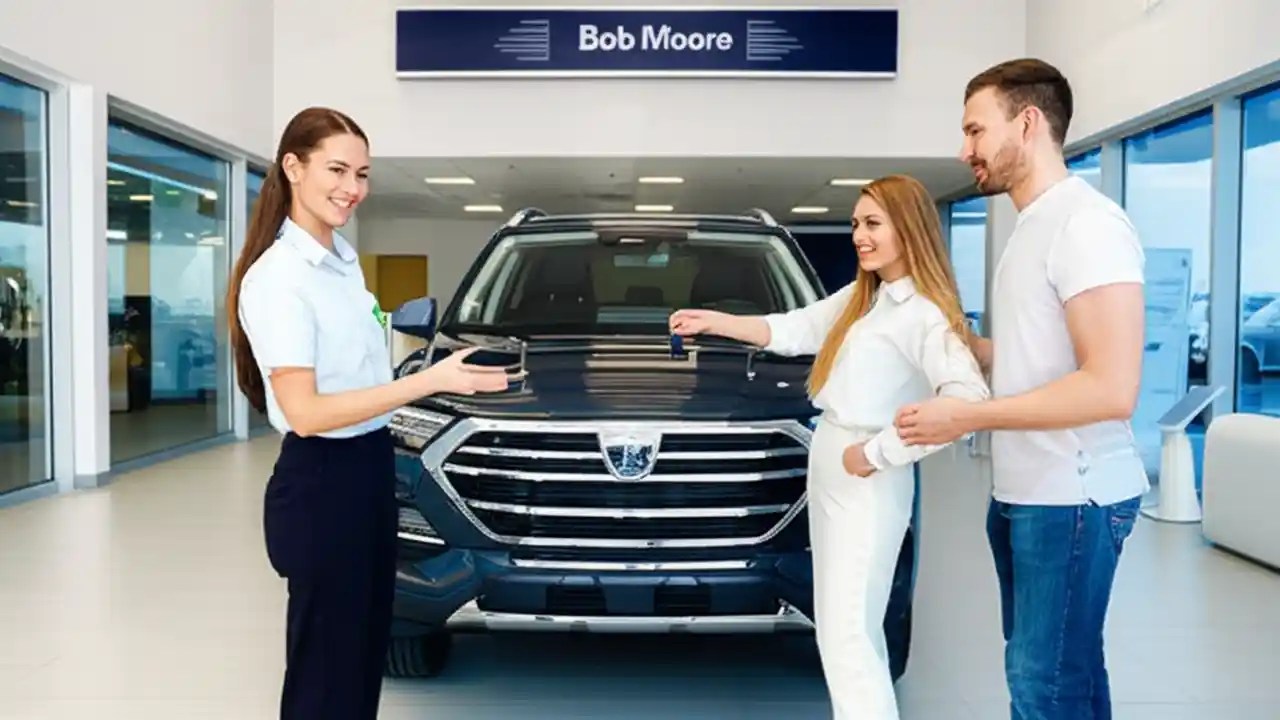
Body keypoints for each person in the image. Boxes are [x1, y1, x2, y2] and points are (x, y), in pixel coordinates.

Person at [226, 107, 515, 719]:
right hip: (321, 479)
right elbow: (305, 412)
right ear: (292, 167)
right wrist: (428, 382)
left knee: (359, 658)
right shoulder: (278, 278)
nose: (351, 188)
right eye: (336, 170)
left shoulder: (342, 261)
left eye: (361, 173)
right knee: (324, 672)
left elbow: (359, 373)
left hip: (367, 468)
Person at [669, 175, 989, 720]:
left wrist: (878, 452)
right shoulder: (869, 297)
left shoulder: (923, 314)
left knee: (846, 637)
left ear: (908, 229)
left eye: (872, 224)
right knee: (849, 631)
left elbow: (965, 402)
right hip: (834, 468)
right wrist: (715, 322)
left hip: (866, 478)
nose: (859, 237)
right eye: (855, 225)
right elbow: (797, 328)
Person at [894, 58, 1147, 720]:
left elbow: (1111, 386)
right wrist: (969, 350)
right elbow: (1047, 357)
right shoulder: (1031, 227)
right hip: (1026, 493)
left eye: (976, 131)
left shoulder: (1086, 225)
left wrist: (969, 417)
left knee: (1043, 687)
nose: (965, 150)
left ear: (1028, 123)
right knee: (1068, 674)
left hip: (1073, 497)